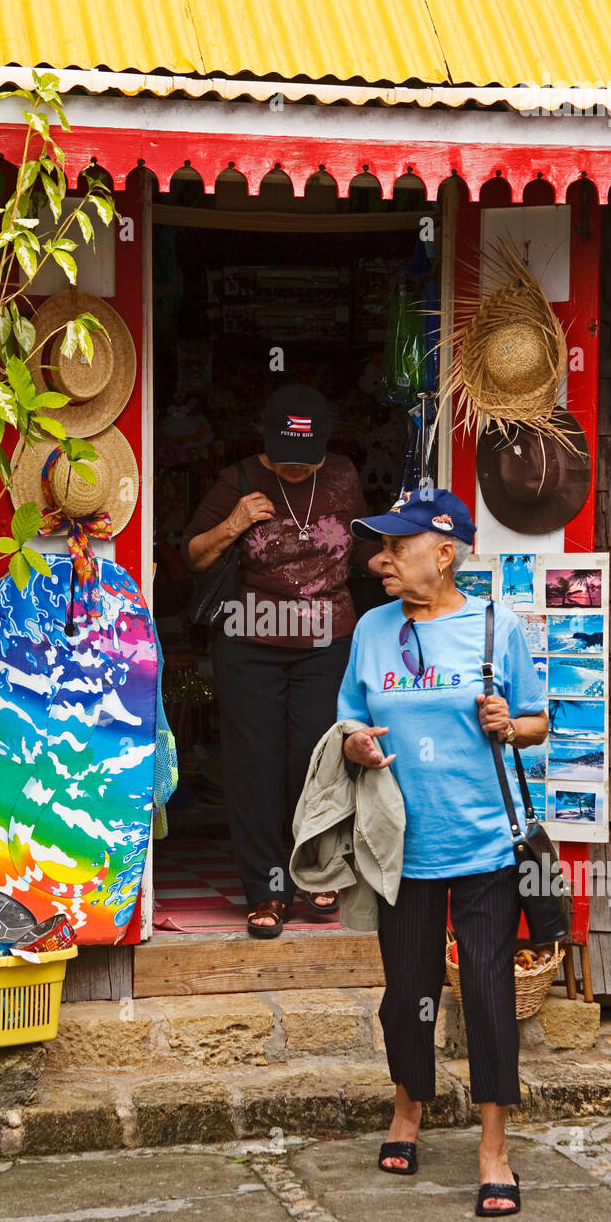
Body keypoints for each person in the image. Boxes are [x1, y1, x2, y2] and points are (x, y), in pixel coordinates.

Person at [337, 488, 548, 1215]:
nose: (381, 559)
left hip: (486, 840)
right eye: (382, 546)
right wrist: (356, 743)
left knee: (488, 995)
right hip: (402, 847)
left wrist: (511, 725)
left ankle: (495, 1148)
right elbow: (349, 718)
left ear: (445, 552)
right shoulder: (370, 629)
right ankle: (408, 1111)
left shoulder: (497, 629)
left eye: (396, 547)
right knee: (409, 994)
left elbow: (538, 720)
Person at [182, 383, 375, 938]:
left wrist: (391, 554)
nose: (296, 470)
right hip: (251, 645)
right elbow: (194, 555)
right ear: (265, 444)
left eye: (305, 460)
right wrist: (234, 522)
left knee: (316, 760)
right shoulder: (237, 480)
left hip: (326, 641)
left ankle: (315, 868)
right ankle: (267, 891)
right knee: (256, 768)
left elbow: (357, 545)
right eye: (285, 461)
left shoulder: (341, 476)